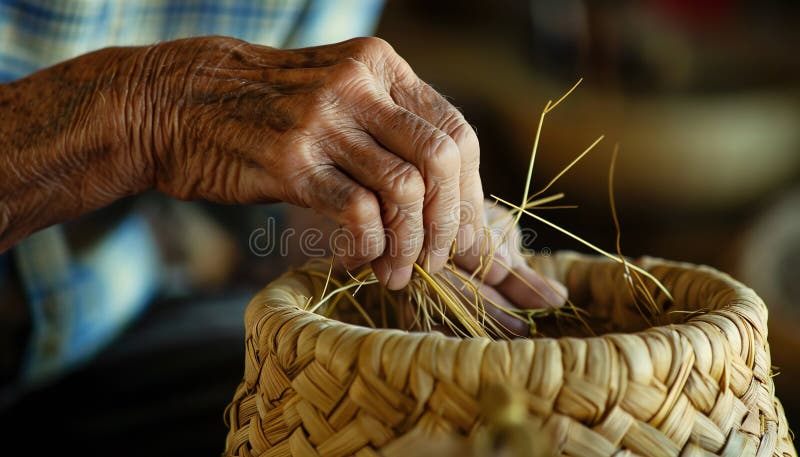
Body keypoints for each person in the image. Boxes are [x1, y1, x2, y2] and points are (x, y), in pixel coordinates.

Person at [0, 1, 565, 454]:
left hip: (118, 329)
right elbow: (178, 119)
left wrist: (366, 212)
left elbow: (252, 190)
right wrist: (148, 110)